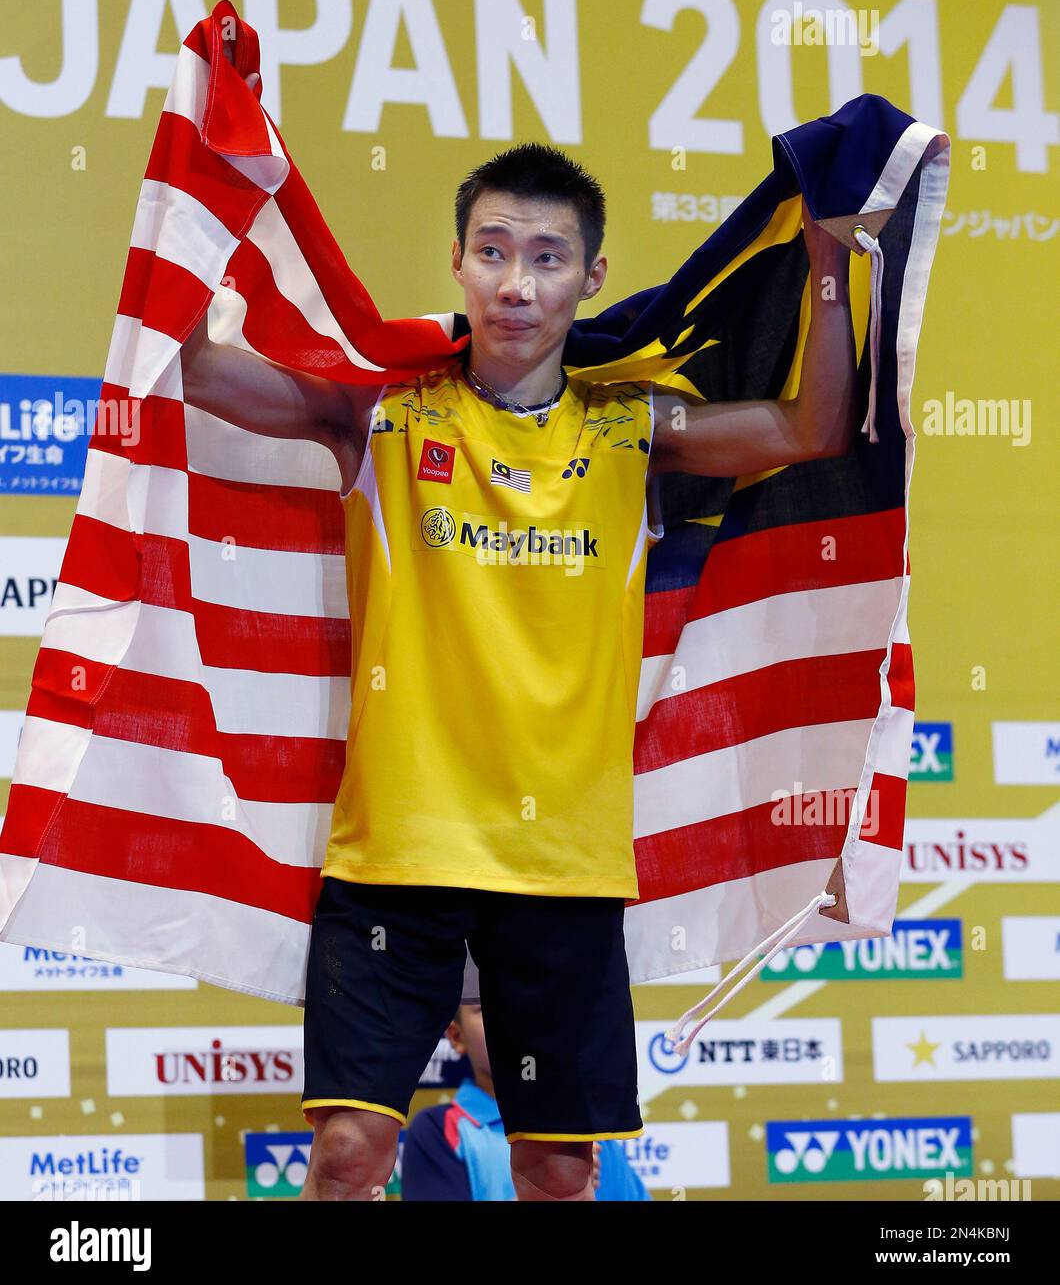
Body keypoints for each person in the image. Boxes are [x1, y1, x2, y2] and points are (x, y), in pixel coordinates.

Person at [180, 143, 855, 1201]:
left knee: (556, 1168)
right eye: (492, 251)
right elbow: (205, 377)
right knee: (349, 1152)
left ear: (589, 280)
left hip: (562, 867)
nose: (515, 282)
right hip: (398, 852)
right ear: (457, 261)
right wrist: (188, 224)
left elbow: (809, 429)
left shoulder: (634, 430)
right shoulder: (386, 413)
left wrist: (825, 264)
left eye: (546, 257)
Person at [401, 1003, 651, 1200]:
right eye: (485, 1006)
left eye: (521, 1002)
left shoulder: (584, 1126)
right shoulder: (436, 1131)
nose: (509, 1018)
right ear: (456, 1036)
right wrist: (549, 1190)